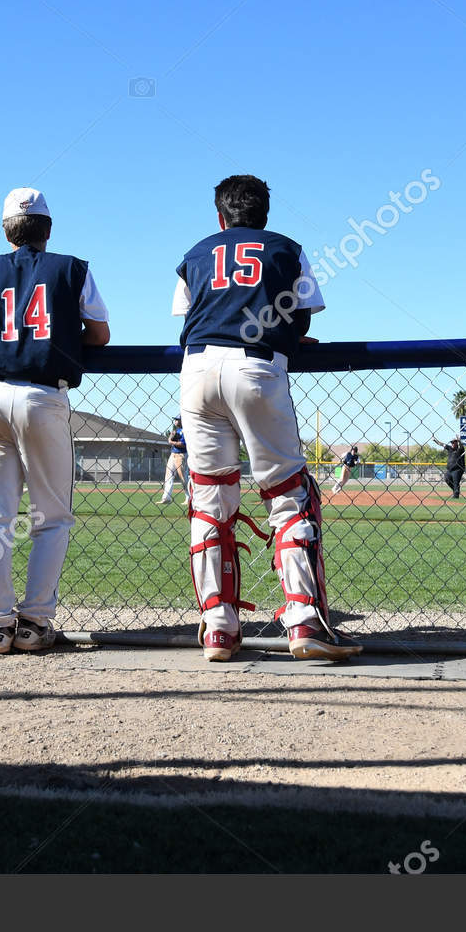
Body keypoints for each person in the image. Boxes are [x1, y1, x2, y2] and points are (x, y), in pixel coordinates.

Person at [173, 173, 359, 663]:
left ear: (220, 216)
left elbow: (189, 314)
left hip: (195, 369)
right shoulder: (286, 247)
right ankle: (303, 622)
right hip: (257, 365)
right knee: (288, 493)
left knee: (211, 499)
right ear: (264, 214)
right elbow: (305, 309)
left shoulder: (196, 252)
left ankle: (217, 628)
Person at [0, 188, 110, 654]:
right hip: (42, 394)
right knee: (51, 516)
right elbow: (99, 334)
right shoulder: (71, 267)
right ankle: (34, 623)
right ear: (48, 229)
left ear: (5, 229)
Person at [160, 416, 187, 504]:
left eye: (177, 420)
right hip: (173, 454)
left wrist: (171, 441)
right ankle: (166, 498)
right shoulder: (178, 431)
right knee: (168, 475)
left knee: (183, 477)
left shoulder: (185, 430)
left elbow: (183, 444)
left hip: (181, 455)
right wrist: (171, 436)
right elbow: (173, 441)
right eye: (175, 420)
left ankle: (189, 497)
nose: (175, 421)